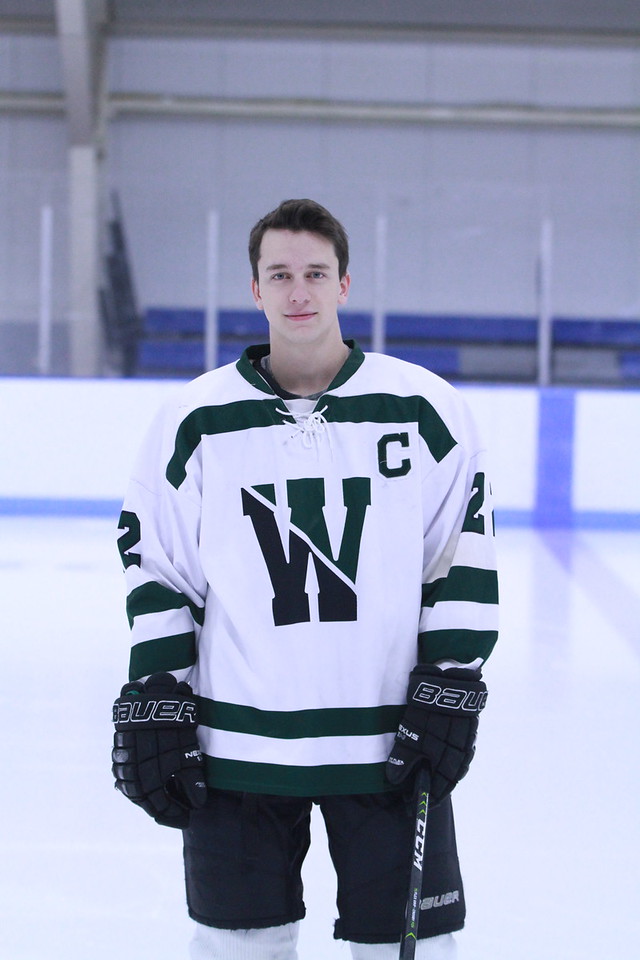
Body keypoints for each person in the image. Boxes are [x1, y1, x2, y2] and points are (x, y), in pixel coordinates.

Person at [111, 198, 499, 959]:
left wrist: (451, 680)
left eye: (316, 273)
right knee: (237, 949)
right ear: (255, 288)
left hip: (388, 744)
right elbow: (157, 565)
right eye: (280, 274)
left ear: (344, 284)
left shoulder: (423, 408)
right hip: (236, 747)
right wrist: (159, 691)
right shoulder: (197, 419)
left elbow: (460, 552)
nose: (299, 291)